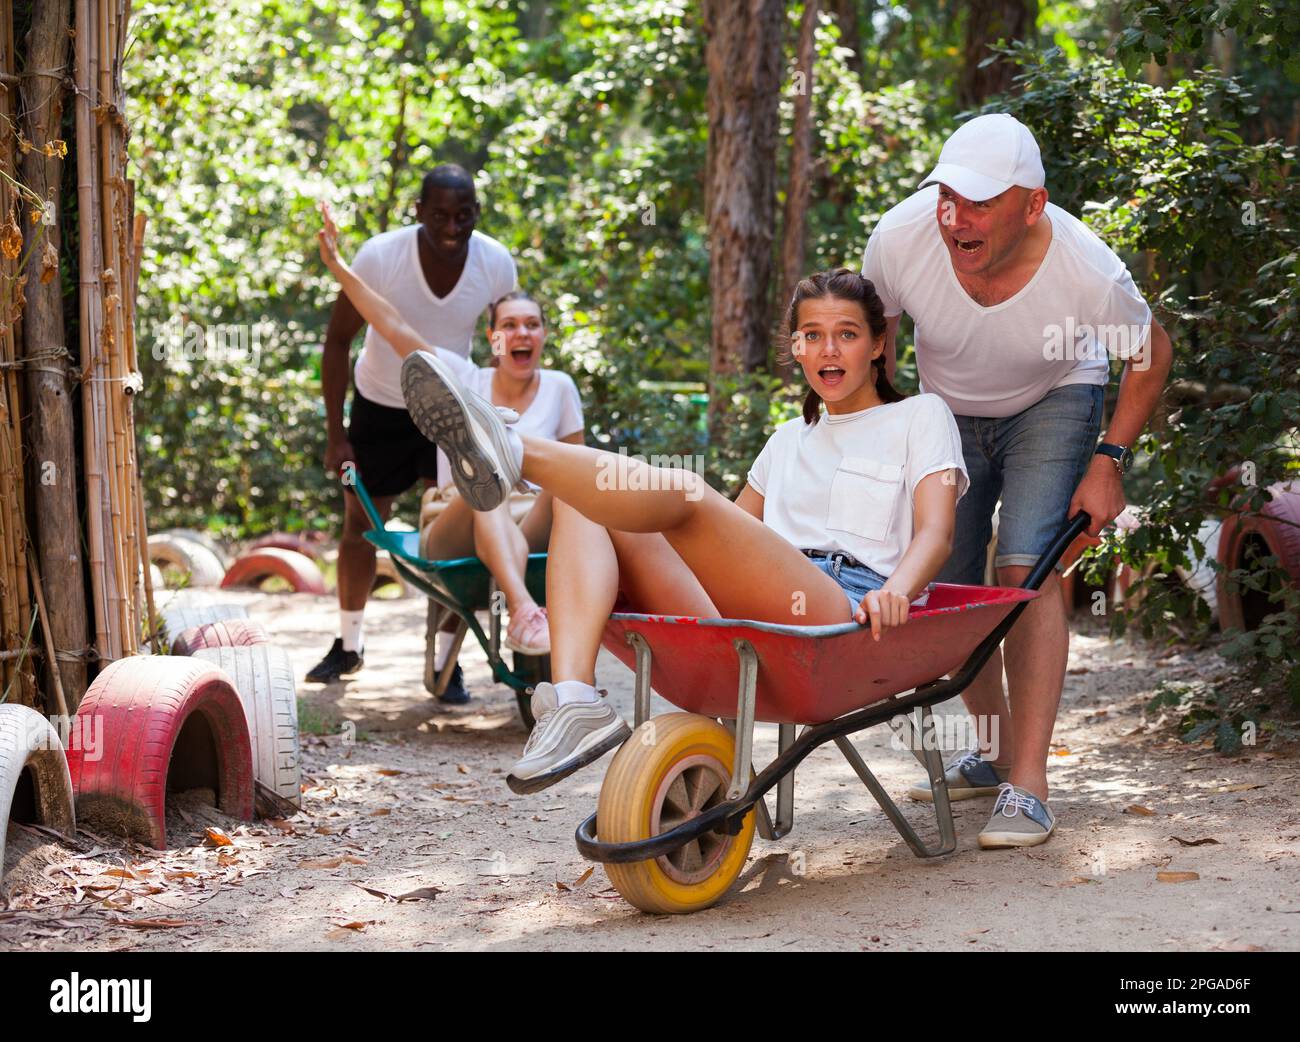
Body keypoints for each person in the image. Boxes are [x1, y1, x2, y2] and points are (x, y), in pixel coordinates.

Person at [397, 268, 970, 794]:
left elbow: (936, 532)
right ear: (796, 349)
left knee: (690, 497)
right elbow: (729, 541)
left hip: (843, 615)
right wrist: (634, 544)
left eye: (847, 334)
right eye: (811, 335)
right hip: (753, 617)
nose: (828, 348)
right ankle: (574, 700)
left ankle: (513, 449)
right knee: (587, 501)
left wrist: (897, 588)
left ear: (877, 345)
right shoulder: (787, 440)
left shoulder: (919, 416)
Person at [860, 113, 1172, 847]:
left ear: (1032, 204)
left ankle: (1028, 783)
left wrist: (1109, 462)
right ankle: (995, 751)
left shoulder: (1087, 268)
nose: (955, 219)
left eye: (978, 203)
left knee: (1025, 569)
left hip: (1055, 400)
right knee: (956, 586)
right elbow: (875, 334)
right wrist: (889, 431)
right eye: (947, 198)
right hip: (946, 411)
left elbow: (1150, 352)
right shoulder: (901, 238)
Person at [307, 165, 517, 703]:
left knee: (452, 534)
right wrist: (337, 434)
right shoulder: (381, 257)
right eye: (441, 214)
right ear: (418, 211)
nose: (453, 226)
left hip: (451, 407)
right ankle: (349, 644)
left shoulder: (495, 264)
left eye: (464, 214)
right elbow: (337, 343)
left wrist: (500, 414)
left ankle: (445, 664)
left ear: (477, 213)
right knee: (360, 526)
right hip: (381, 405)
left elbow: (506, 346)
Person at [421, 291, 587, 657]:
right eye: (509, 325)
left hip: (525, 520)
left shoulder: (560, 386)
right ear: (492, 336)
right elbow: (394, 327)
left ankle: (540, 617)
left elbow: (577, 464)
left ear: (544, 334)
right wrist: (340, 268)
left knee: (570, 486)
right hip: (454, 520)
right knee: (485, 476)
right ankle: (523, 609)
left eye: (532, 324)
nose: (522, 333)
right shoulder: (466, 381)